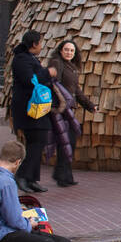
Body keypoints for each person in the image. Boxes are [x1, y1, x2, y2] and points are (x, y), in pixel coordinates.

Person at [8, 30, 56, 193]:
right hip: (29, 109)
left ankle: (32, 178)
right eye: (40, 42)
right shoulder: (22, 60)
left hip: (36, 109)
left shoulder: (28, 58)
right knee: (36, 141)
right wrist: (47, 73)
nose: (41, 46)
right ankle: (22, 176)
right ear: (34, 44)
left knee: (38, 142)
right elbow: (31, 80)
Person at [46, 40, 96, 188]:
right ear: (60, 50)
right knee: (66, 142)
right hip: (60, 110)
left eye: (72, 51)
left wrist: (90, 106)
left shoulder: (71, 67)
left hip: (68, 109)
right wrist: (60, 104)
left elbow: (76, 91)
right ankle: (62, 175)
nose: (69, 53)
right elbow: (54, 84)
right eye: (66, 50)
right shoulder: (57, 63)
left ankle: (64, 174)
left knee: (69, 142)